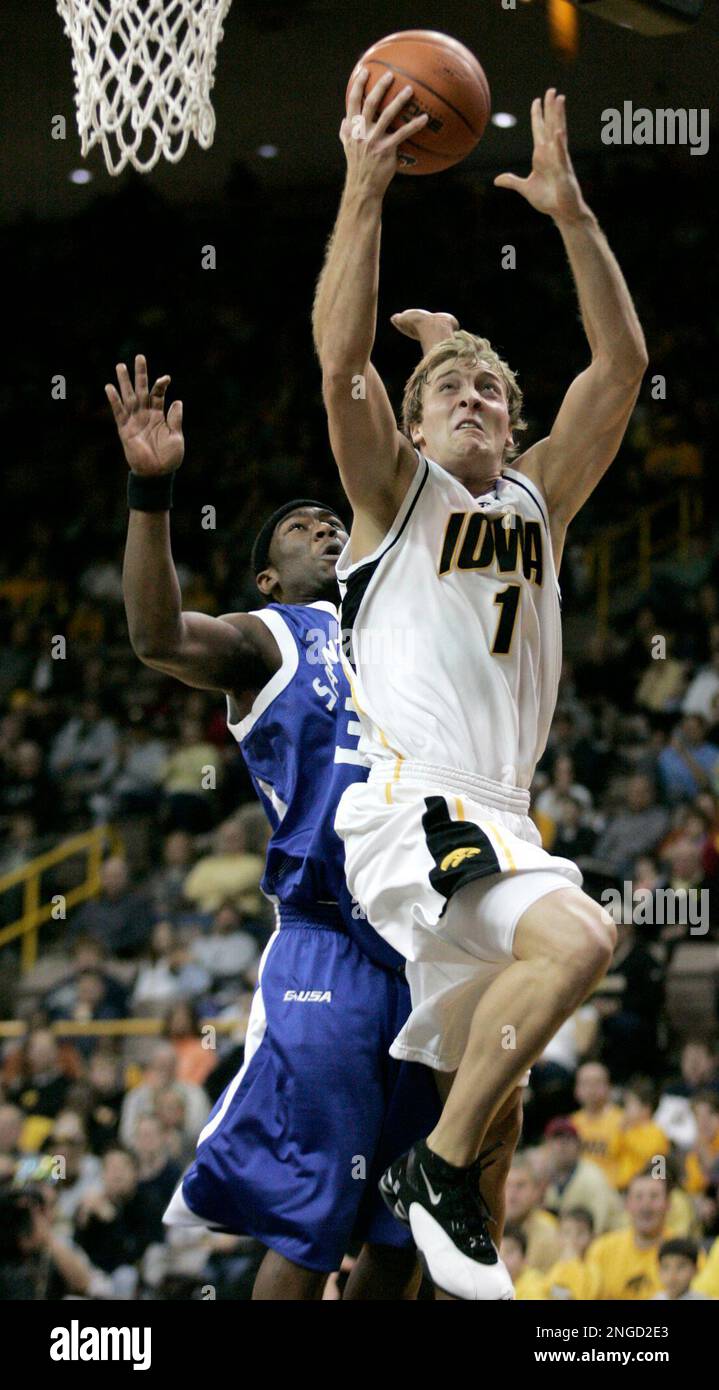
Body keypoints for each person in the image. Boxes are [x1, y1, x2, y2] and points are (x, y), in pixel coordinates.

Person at [313, 72, 646, 1299]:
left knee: (491, 1156)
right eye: (450, 387)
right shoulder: (390, 499)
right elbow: (339, 352)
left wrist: (569, 215)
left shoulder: (535, 501)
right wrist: (362, 184)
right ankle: (426, 1171)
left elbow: (618, 364)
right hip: (420, 810)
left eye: (492, 390)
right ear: (413, 423)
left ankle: (429, 1199)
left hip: (500, 819)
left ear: (513, 426)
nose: (476, 397)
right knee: (587, 933)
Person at [105, 355, 442, 1300]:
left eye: (335, 521)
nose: (327, 530)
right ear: (268, 572)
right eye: (303, 528)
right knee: (308, 1217)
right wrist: (151, 491)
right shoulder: (272, 636)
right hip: (328, 946)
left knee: (400, 1223)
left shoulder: (399, 632)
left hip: (418, 948)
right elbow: (157, 639)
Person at [585, 1170, 671, 1300]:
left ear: (667, 1204)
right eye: (638, 1197)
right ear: (627, 1204)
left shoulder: (684, 1251)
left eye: (654, 1197)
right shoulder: (602, 1249)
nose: (646, 1205)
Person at [542, 1117, 624, 1234]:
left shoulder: (592, 1177)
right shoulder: (548, 1178)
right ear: (548, 1146)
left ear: (578, 1146)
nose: (563, 1146)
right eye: (557, 1140)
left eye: (568, 1140)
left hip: (611, 1237)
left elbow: (598, 1226)